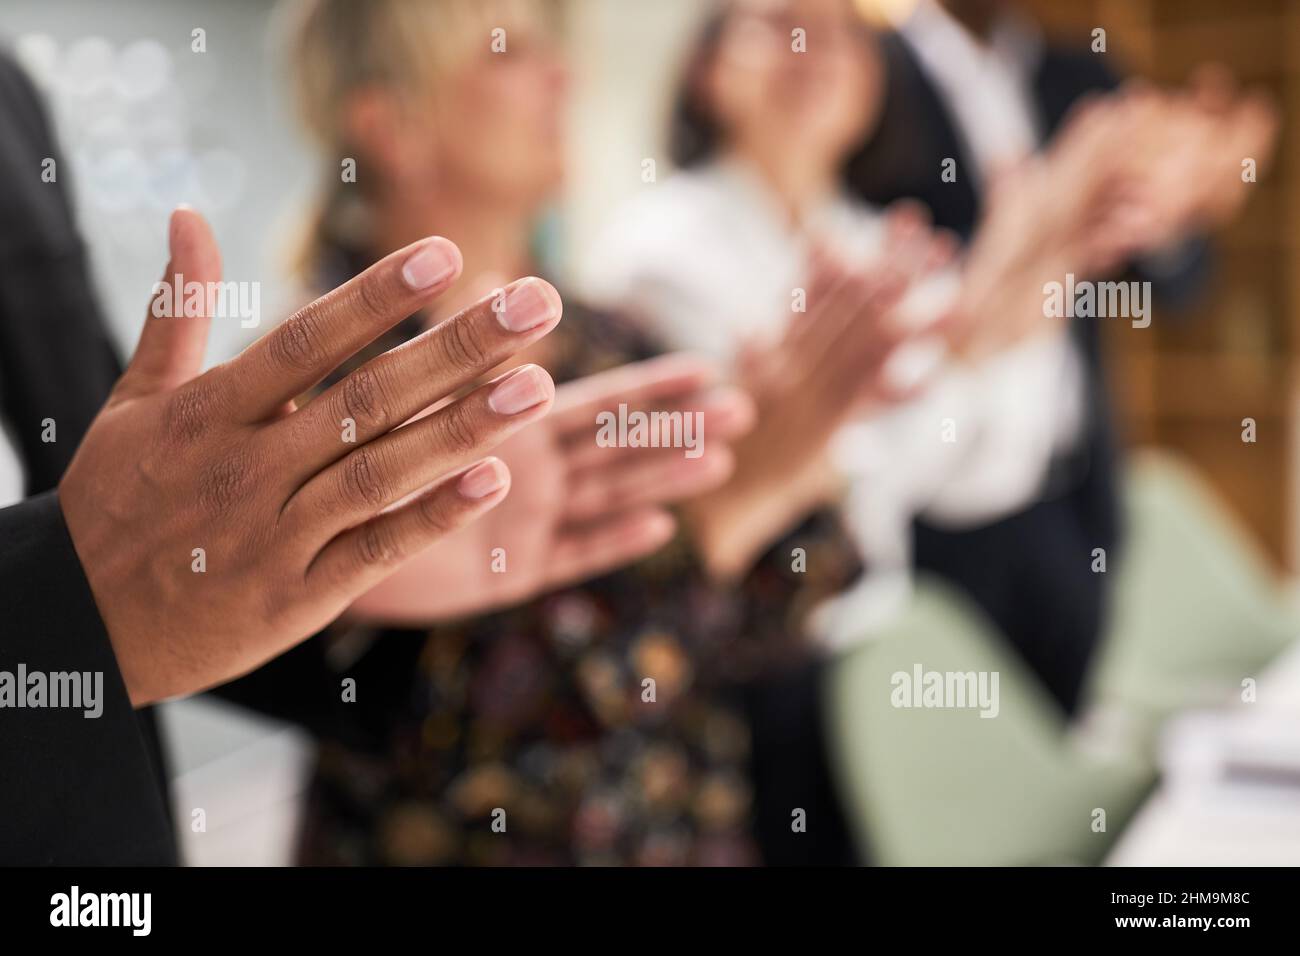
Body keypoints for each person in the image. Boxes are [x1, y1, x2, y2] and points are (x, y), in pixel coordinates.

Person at [0, 43, 745, 864]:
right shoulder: (314, 374)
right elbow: (105, 572)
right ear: (389, 123)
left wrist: (336, 581)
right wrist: (64, 605)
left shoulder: (10, 101)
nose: (564, 72)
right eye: (503, 46)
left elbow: (114, 534)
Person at [842, 0, 1277, 713]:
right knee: (950, 734)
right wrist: (1030, 239)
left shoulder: (1084, 76)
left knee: (1065, 715)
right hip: (941, 502)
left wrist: (1174, 218)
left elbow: (1175, 286)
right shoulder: (875, 75)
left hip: (1072, 492)